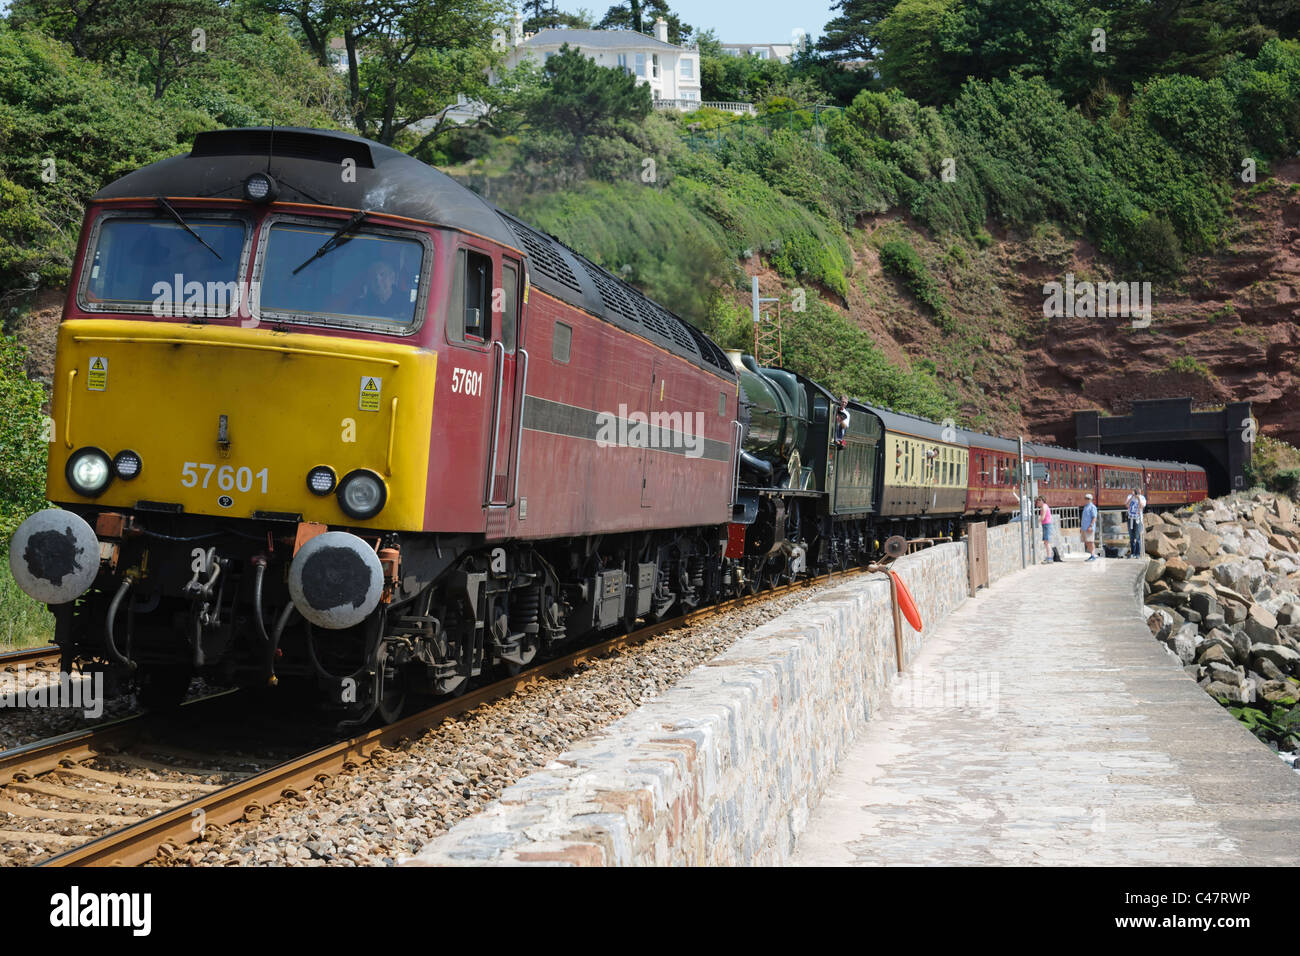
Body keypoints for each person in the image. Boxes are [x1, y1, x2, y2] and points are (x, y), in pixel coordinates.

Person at [1125, 486, 1147, 558]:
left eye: (1138, 492)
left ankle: (1137, 554)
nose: (1137, 493)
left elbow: (1141, 506)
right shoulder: (1129, 497)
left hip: (1138, 519)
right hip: (1130, 519)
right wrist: (1132, 497)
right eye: (1136, 491)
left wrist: (1138, 498)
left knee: (1137, 537)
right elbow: (1126, 505)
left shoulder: (1142, 498)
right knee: (1131, 537)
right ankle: (1132, 553)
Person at [1081, 492, 1098, 561]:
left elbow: (1094, 517)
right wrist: (1081, 527)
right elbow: (1084, 518)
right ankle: (1092, 554)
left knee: (1091, 541)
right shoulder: (1085, 507)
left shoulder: (1092, 507)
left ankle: (1093, 555)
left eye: (1088, 498)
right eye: (1085, 498)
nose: (1086, 499)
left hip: (1089, 528)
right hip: (1084, 528)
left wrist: (1091, 526)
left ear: (1091, 499)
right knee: (1087, 542)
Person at [1037, 495, 1053, 563]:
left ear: (1042, 501)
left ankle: (1049, 558)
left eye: (1039, 501)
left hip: (1046, 525)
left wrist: (1036, 521)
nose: (1038, 502)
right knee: (1046, 542)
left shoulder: (1043, 507)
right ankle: (1049, 557)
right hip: (1047, 524)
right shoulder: (1045, 506)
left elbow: (1043, 517)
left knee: (1046, 542)